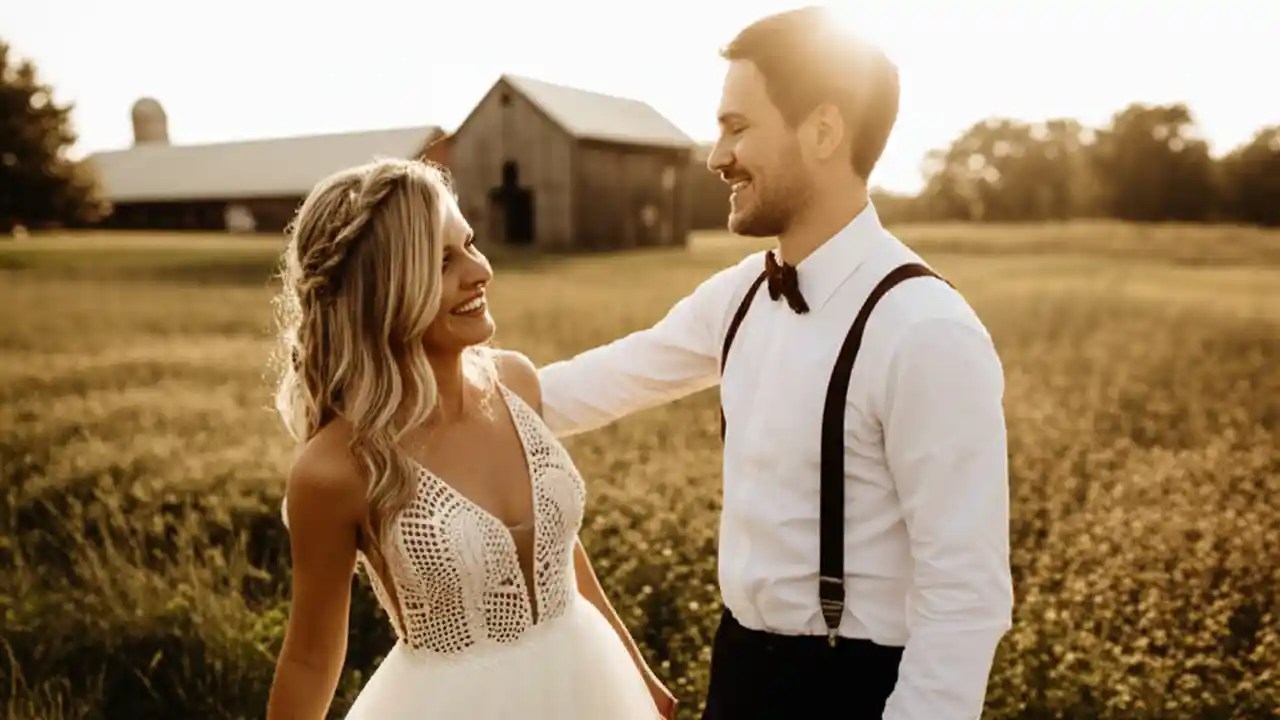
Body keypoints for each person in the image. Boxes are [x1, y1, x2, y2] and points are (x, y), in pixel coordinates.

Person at [537, 7, 1014, 719]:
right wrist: (420, 387)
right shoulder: (738, 296)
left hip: (856, 692)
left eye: (737, 127)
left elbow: (967, 597)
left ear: (822, 131)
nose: (715, 156)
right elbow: (589, 386)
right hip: (737, 675)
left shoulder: (926, 331)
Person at [264, 158, 676, 719]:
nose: (479, 270)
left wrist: (636, 670)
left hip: (591, 687)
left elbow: (557, 552)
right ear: (380, 291)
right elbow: (310, 659)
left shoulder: (516, 383)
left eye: (470, 244)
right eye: (442, 262)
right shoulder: (337, 468)